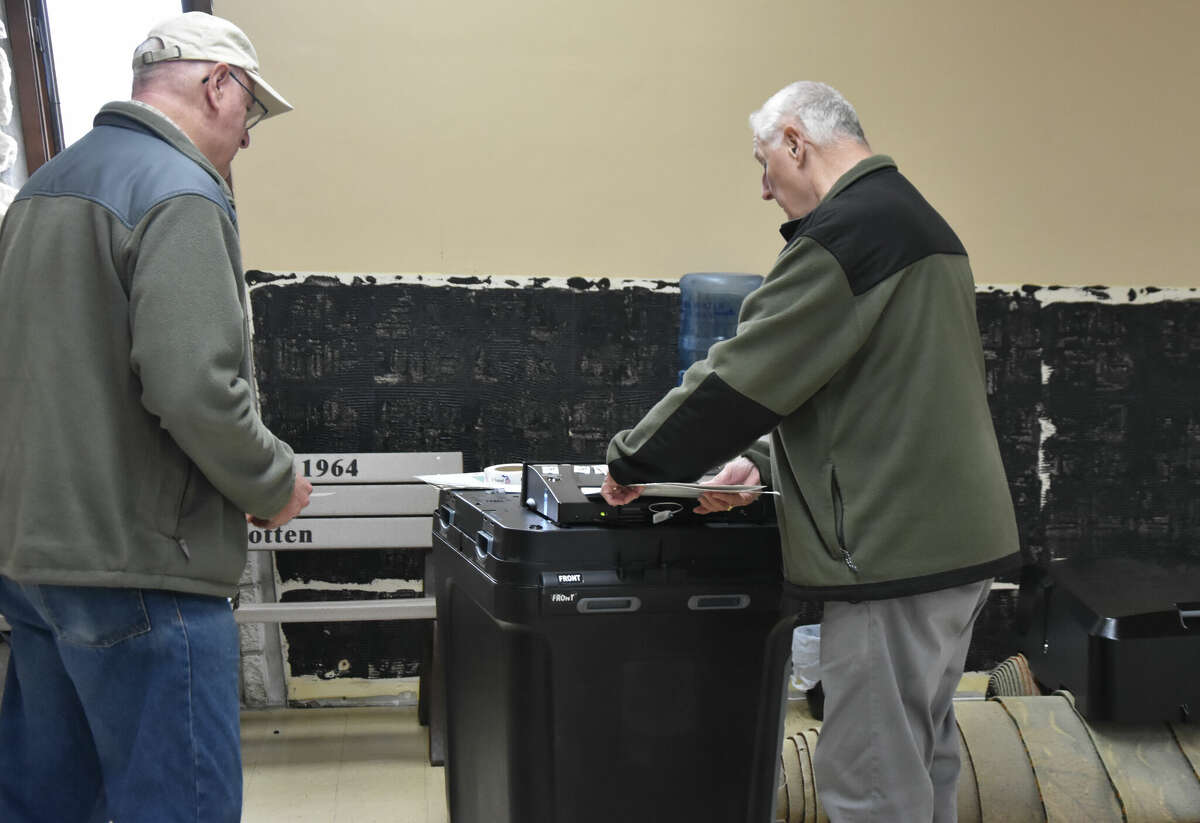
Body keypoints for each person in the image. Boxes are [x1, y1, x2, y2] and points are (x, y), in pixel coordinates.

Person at [601, 81, 1021, 822]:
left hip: (892, 556)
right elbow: (867, 393)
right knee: (922, 762)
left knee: (871, 783)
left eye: (765, 163)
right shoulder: (920, 222)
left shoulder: (847, 235)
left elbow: (740, 373)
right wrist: (759, 465)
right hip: (956, 552)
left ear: (796, 141)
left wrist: (634, 463)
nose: (765, 189)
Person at [0, 12, 310, 822]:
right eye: (251, 114)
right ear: (217, 85)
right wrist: (271, 481)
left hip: (34, 566)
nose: (245, 140)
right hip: (144, 573)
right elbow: (193, 387)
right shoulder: (181, 193)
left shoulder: (40, 191)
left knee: (50, 804)